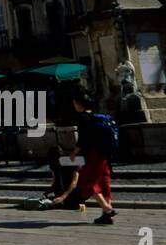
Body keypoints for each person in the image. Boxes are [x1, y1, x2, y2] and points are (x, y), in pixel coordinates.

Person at [70, 91, 116, 224]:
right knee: (104, 183)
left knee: (88, 182)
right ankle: (107, 216)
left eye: (74, 103)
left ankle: (107, 209)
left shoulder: (83, 118)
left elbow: (84, 139)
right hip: (105, 154)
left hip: (93, 154)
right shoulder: (98, 116)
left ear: (78, 104)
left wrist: (74, 153)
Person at [43, 145, 82, 210]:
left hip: (73, 191)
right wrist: (46, 192)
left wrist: (63, 197)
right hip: (62, 192)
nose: (57, 162)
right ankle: (60, 200)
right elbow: (56, 182)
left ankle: (64, 201)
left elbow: (74, 183)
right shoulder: (54, 165)